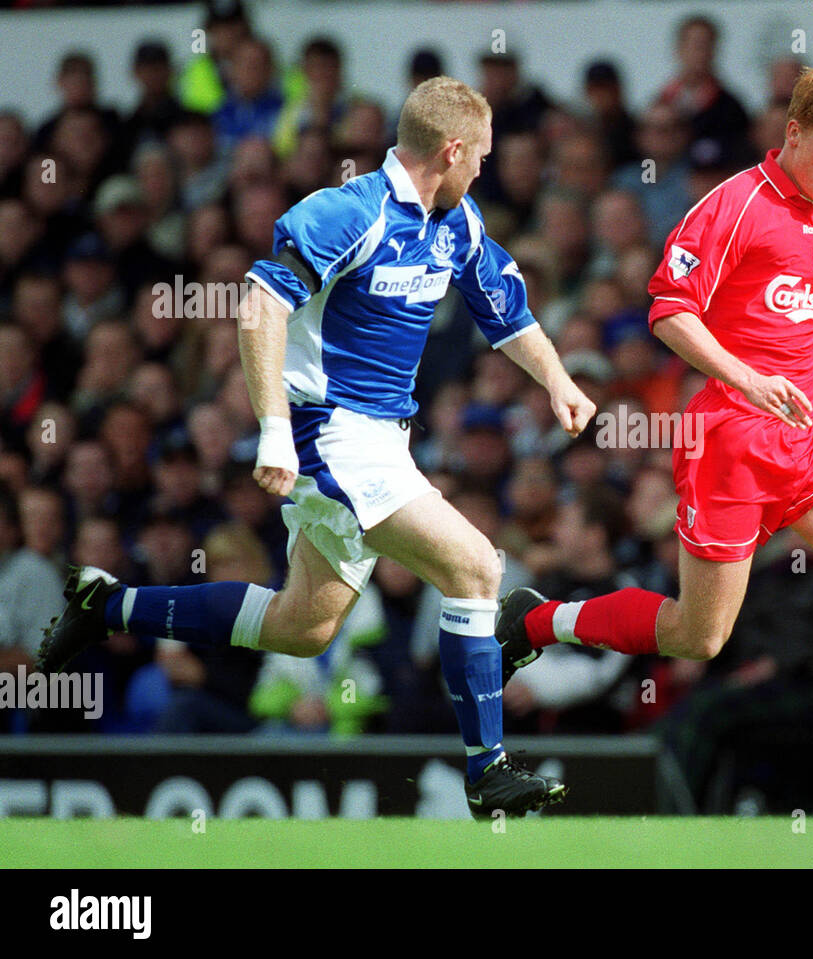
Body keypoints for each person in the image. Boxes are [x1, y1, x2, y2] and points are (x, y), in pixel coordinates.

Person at [35, 77, 596, 818]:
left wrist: (558, 381)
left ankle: (110, 605)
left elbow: (505, 312)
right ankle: (486, 769)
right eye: (482, 157)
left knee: (304, 627)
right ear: (453, 149)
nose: (485, 170)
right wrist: (273, 429)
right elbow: (259, 304)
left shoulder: (455, 222)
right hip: (328, 431)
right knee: (475, 565)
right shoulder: (347, 212)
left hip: (384, 443)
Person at [497, 64, 813, 817]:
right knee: (700, 637)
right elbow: (667, 310)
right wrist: (746, 378)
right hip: (727, 436)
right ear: (792, 133)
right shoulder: (734, 205)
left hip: (804, 430)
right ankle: (538, 619)